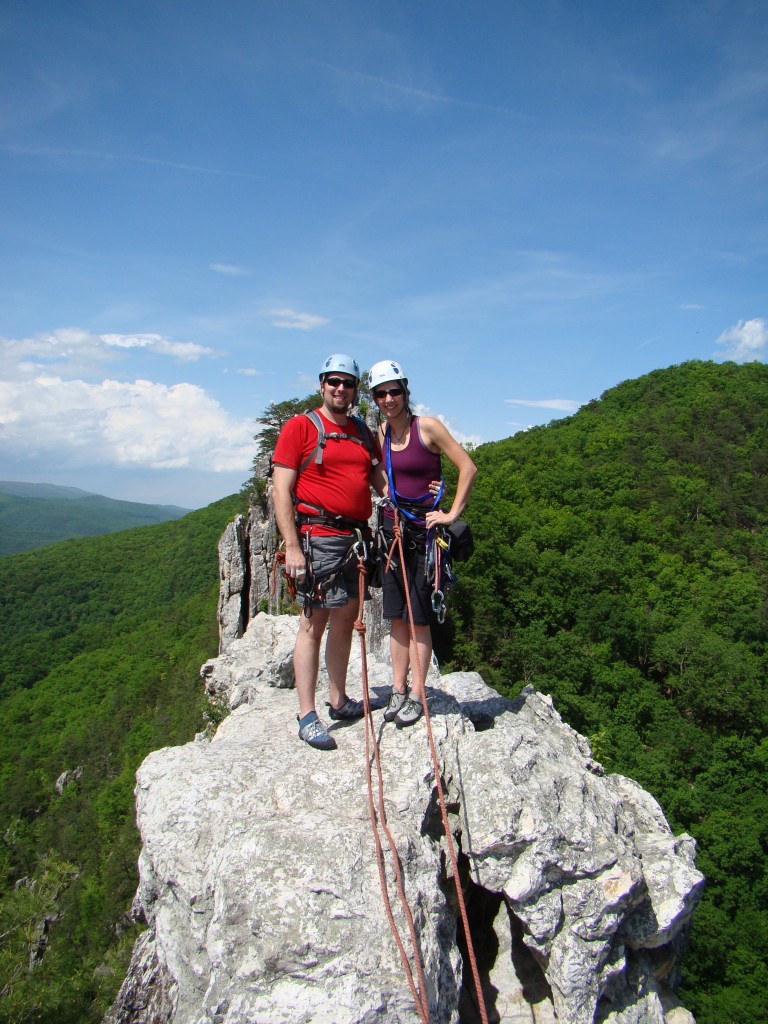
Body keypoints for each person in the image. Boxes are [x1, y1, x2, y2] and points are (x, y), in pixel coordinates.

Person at [272, 354, 386, 750]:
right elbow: (281, 490)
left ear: (355, 390)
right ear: (322, 385)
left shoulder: (361, 432)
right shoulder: (300, 427)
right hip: (317, 538)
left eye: (348, 383)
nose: (340, 388)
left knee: (345, 621)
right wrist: (291, 546)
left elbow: (379, 480)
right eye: (333, 381)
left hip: (355, 540)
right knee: (313, 624)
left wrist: (414, 499)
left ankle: (338, 701)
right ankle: (307, 715)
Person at [369, 359, 477, 728]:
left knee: (418, 619)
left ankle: (417, 694)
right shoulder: (383, 433)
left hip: (424, 534)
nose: (388, 399)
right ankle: (397, 690)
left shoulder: (426, 427)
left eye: (394, 391)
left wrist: (450, 512)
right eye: (381, 394)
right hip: (394, 532)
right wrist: (388, 497)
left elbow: (468, 466)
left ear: (405, 391)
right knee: (396, 617)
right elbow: (377, 472)